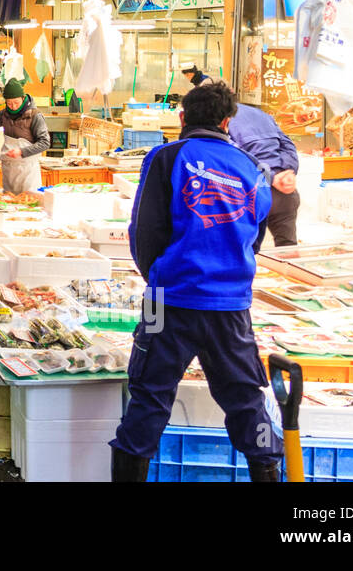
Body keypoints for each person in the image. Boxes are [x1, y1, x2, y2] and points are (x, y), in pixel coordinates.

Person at [110, 82, 280, 482]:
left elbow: (144, 232)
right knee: (245, 399)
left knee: (147, 396)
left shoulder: (166, 157)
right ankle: (267, 468)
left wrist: (157, 278)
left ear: (182, 117)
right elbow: (254, 237)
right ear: (227, 121)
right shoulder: (255, 171)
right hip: (232, 306)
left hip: (163, 301)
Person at [228, 99, 300, 246]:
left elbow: (234, 155)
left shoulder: (219, 117)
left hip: (249, 195)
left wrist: (271, 177)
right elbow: (288, 145)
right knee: (288, 249)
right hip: (284, 194)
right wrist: (287, 172)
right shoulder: (262, 115)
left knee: (248, 252)